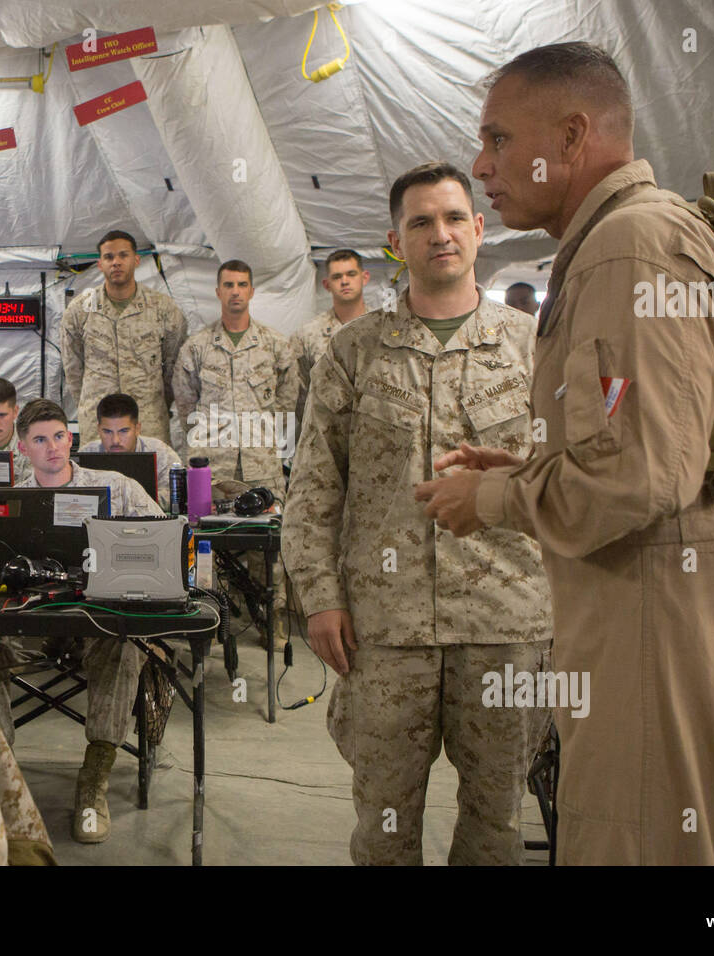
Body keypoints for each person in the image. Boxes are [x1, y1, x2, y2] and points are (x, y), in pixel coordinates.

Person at [414, 41, 714, 865]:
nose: (482, 165)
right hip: (662, 602)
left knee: (634, 846)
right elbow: (658, 452)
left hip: (659, 611)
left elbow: (641, 477)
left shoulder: (630, 249)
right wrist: (527, 477)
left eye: (500, 141)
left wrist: (494, 502)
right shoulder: (629, 240)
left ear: (574, 134)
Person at [283, 162, 551, 865]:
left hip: (507, 620)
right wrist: (319, 598)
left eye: (455, 218)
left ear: (480, 229)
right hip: (384, 629)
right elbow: (313, 490)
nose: (441, 235)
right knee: (384, 824)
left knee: (496, 823)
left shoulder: (530, 346)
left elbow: (569, 481)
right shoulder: (355, 352)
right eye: (421, 222)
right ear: (395, 242)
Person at [0, 399, 160, 845]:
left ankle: (95, 776)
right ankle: (0, 769)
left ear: (70, 439)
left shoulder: (116, 487)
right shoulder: (8, 498)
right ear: (23, 448)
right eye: (40, 439)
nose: (52, 447)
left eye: (59, 436)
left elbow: (165, 535)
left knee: (124, 643)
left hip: (97, 622)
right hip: (29, 625)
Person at [174, 259, 298, 646]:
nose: (235, 292)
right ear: (218, 291)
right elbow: (185, 405)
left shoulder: (276, 345)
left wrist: (265, 440)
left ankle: (272, 615)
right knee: (207, 543)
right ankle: (210, 615)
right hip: (212, 466)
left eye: (242, 284)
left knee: (269, 547)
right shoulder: (196, 347)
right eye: (228, 285)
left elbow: (287, 402)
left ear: (251, 291)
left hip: (261, 464)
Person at [60, 230, 188, 445]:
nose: (116, 262)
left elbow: (174, 365)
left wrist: (156, 402)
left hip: (147, 420)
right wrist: (91, 401)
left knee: (149, 476)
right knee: (98, 477)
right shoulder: (80, 310)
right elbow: (73, 370)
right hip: (98, 422)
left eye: (123, 255)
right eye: (109, 257)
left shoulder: (163, 309)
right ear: (100, 264)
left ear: (136, 260)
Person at [293, 249, 371, 421]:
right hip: (327, 435)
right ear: (327, 284)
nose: (344, 282)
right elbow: (299, 395)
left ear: (364, 278)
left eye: (351, 274)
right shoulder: (308, 335)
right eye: (337, 277)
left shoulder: (385, 330)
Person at [77, 392, 182, 509]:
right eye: (107, 432)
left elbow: (175, 496)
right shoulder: (86, 456)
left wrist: (122, 502)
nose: (115, 441)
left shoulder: (161, 453)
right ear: (98, 429)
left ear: (137, 429)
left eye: (123, 431)